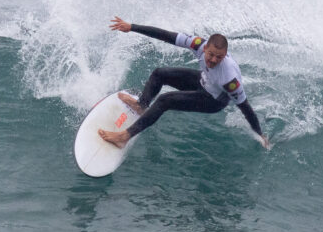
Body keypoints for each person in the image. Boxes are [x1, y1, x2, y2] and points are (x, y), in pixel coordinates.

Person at [98, 16, 271, 149]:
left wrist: (260, 135)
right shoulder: (198, 44)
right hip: (204, 81)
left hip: (213, 100)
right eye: (211, 54)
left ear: (225, 56)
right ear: (205, 48)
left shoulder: (229, 79)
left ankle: (124, 137)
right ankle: (141, 105)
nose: (213, 60)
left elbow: (245, 107)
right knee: (160, 73)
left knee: (165, 100)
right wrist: (132, 27)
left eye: (219, 57)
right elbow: (167, 36)